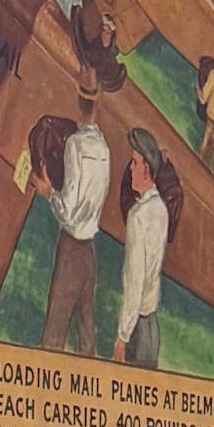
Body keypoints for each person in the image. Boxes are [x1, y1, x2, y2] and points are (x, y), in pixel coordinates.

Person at [30, 105, 110, 352]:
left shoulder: (75, 146)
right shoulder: (102, 148)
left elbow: (67, 209)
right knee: (86, 336)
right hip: (88, 252)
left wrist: (48, 193)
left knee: (53, 336)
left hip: (72, 249)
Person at [110, 132, 179, 369]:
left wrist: (122, 336)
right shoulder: (160, 209)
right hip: (152, 329)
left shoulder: (138, 216)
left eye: (135, 163)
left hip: (137, 333)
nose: (130, 168)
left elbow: (135, 280)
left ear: (147, 170)